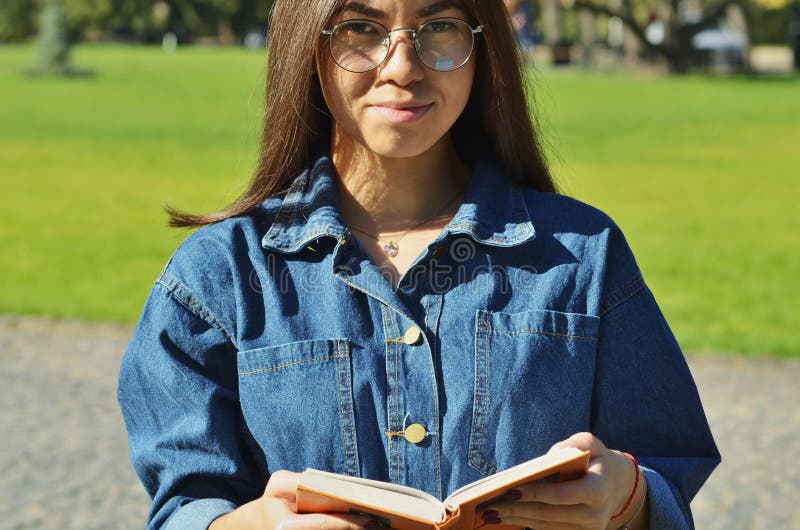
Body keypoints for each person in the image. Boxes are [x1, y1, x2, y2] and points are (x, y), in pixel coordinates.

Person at [117, 1, 720, 529]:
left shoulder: (584, 253)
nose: (403, 67)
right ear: (308, 46)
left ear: (482, 45)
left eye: (439, 27)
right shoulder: (214, 279)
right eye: (360, 27)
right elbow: (184, 505)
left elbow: (667, 478)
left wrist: (627, 496)